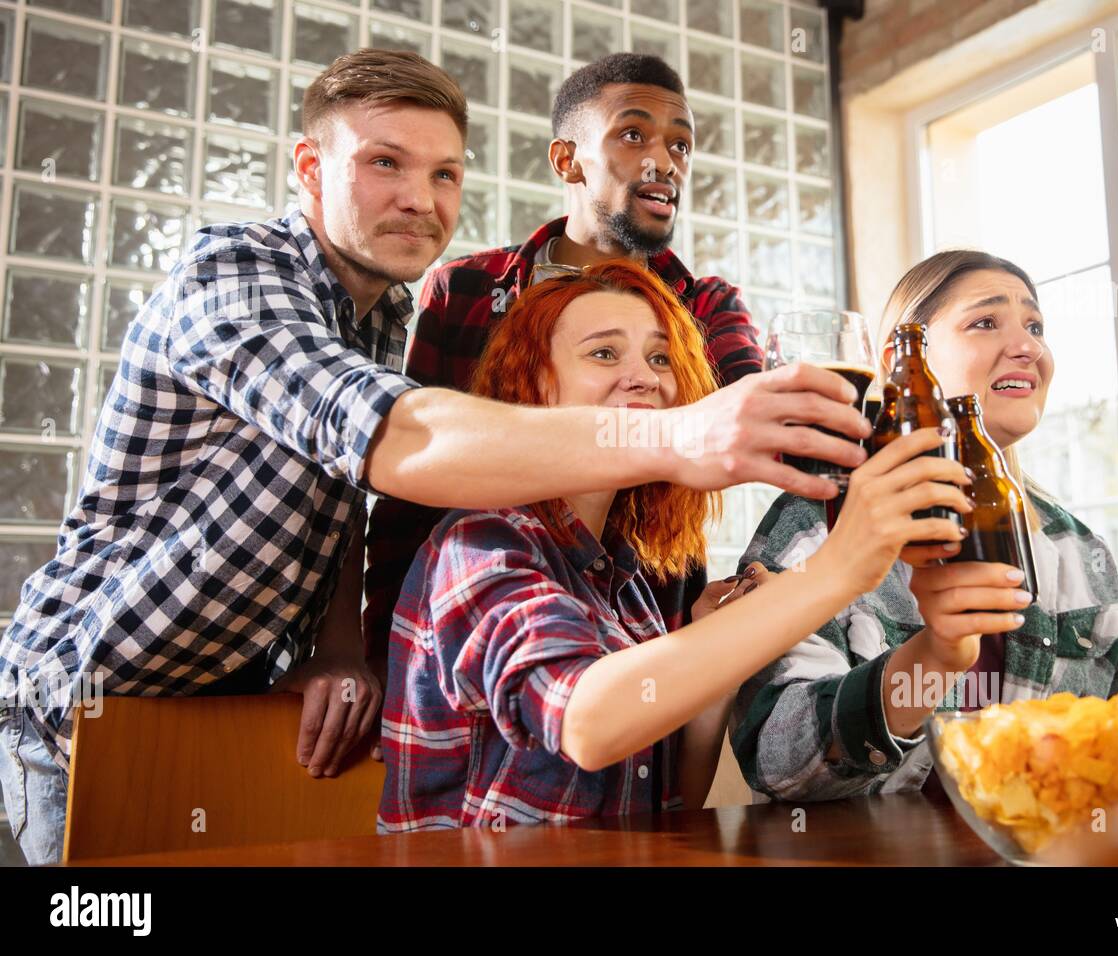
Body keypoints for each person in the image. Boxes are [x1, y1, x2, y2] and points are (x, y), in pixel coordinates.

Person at [0, 50, 866, 866]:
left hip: (251, 691)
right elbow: (402, 446)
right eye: (385, 164)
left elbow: (349, 494)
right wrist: (686, 437)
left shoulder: (379, 316)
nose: (421, 199)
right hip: (91, 697)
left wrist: (338, 649)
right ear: (309, 168)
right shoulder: (232, 272)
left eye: (444, 174)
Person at [378, 258, 971, 830]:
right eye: (603, 352)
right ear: (531, 383)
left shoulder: (626, 579)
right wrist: (835, 571)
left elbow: (675, 802)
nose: (643, 376)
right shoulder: (482, 541)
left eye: (660, 357)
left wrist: (713, 649)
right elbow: (589, 722)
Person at [730, 250, 1118, 801]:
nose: (1027, 346)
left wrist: (1086, 764)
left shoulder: (1076, 548)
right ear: (901, 360)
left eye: (1035, 326)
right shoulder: (819, 524)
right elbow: (775, 758)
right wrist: (927, 663)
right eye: (985, 322)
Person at [364, 51, 764, 653]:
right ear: (567, 160)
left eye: (680, 146)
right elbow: (412, 490)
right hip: (478, 623)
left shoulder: (705, 305)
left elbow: (754, 419)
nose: (664, 162)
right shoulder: (469, 288)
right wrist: (373, 652)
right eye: (633, 135)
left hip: (647, 636)